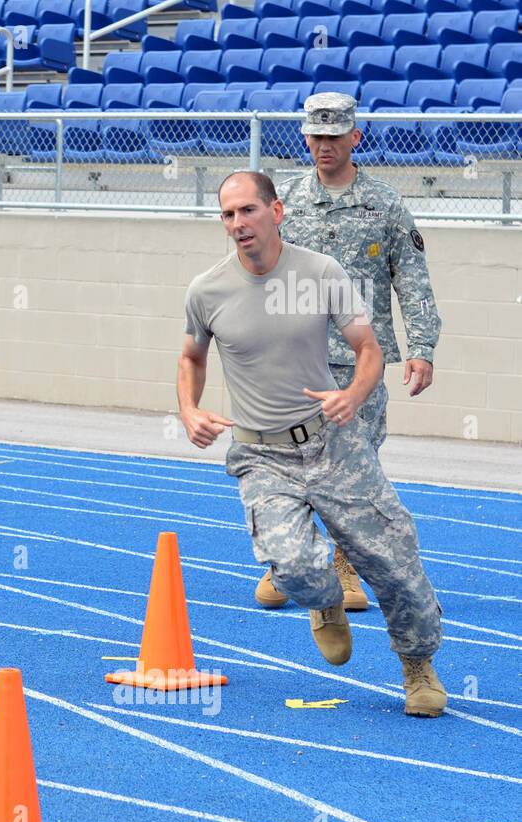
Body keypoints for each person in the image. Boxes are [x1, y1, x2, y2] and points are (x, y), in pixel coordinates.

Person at [177, 170, 446, 718]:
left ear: (276, 212)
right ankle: (325, 602)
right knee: (291, 565)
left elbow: (368, 348)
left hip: (333, 445)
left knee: (395, 562)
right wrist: (188, 409)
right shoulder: (208, 290)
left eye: (247, 211)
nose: (237, 224)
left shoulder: (321, 273)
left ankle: (417, 666)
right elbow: (191, 357)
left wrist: (352, 393)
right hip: (261, 454)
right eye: (227, 215)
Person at [254, 92, 443, 613]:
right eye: (316, 135)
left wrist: (422, 346)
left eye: (335, 136)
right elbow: (256, 271)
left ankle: (343, 563)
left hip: (360, 363)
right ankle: (287, 562)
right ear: (305, 137)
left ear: (355, 137)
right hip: (294, 361)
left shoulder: (385, 204)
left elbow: (413, 279)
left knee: (355, 471)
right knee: (289, 461)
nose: (324, 145)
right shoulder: (282, 201)